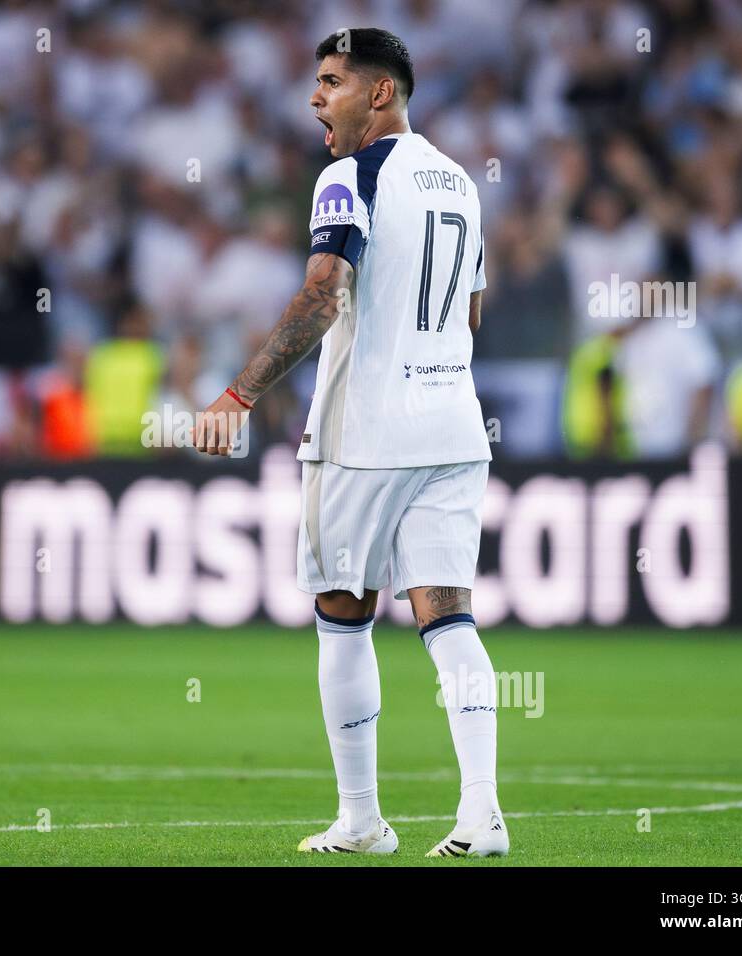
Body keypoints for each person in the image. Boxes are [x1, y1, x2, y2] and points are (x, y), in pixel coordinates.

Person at [195, 28, 505, 858]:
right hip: (453, 428)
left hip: (365, 433)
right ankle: (482, 814)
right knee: (449, 621)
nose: (314, 98)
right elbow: (473, 314)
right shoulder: (462, 184)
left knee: (343, 617)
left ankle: (363, 818)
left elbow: (322, 293)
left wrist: (240, 393)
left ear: (380, 94)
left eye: (330, 82)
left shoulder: (350, 174)